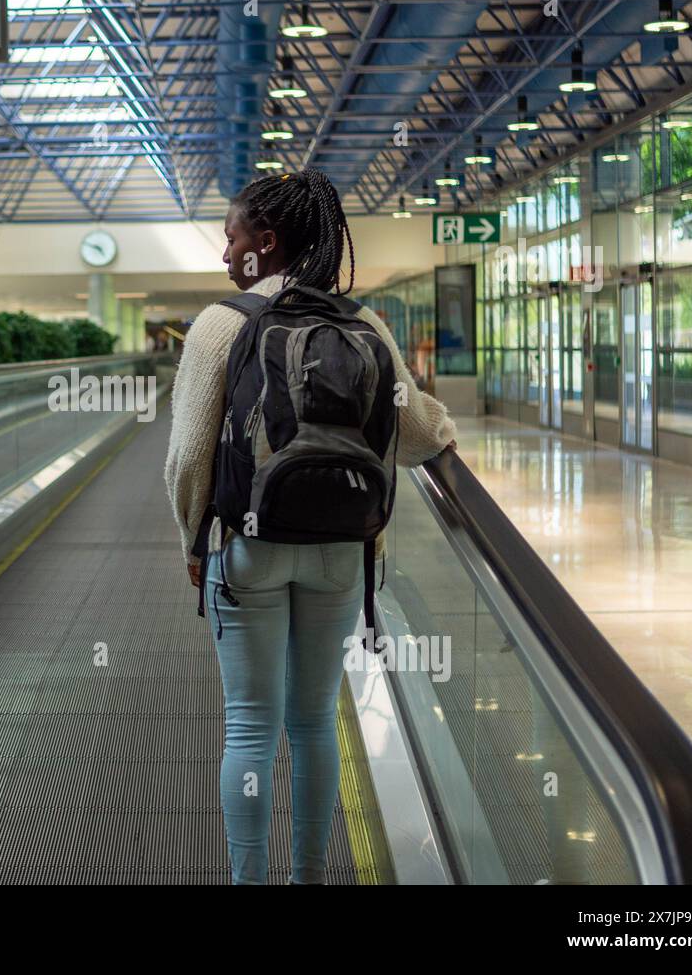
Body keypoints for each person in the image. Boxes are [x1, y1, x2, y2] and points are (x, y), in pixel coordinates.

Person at [163, 168, 456, 885]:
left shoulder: (219, 324)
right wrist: (446, 427)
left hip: (250, 550)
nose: (224, 255)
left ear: (265, 241)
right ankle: (311, 875)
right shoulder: (365, 324)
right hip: (340, 550)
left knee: (251, 727)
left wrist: (193, 540)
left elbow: (188, 458)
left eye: (231, 238)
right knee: (314, 721)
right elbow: (417, 432)